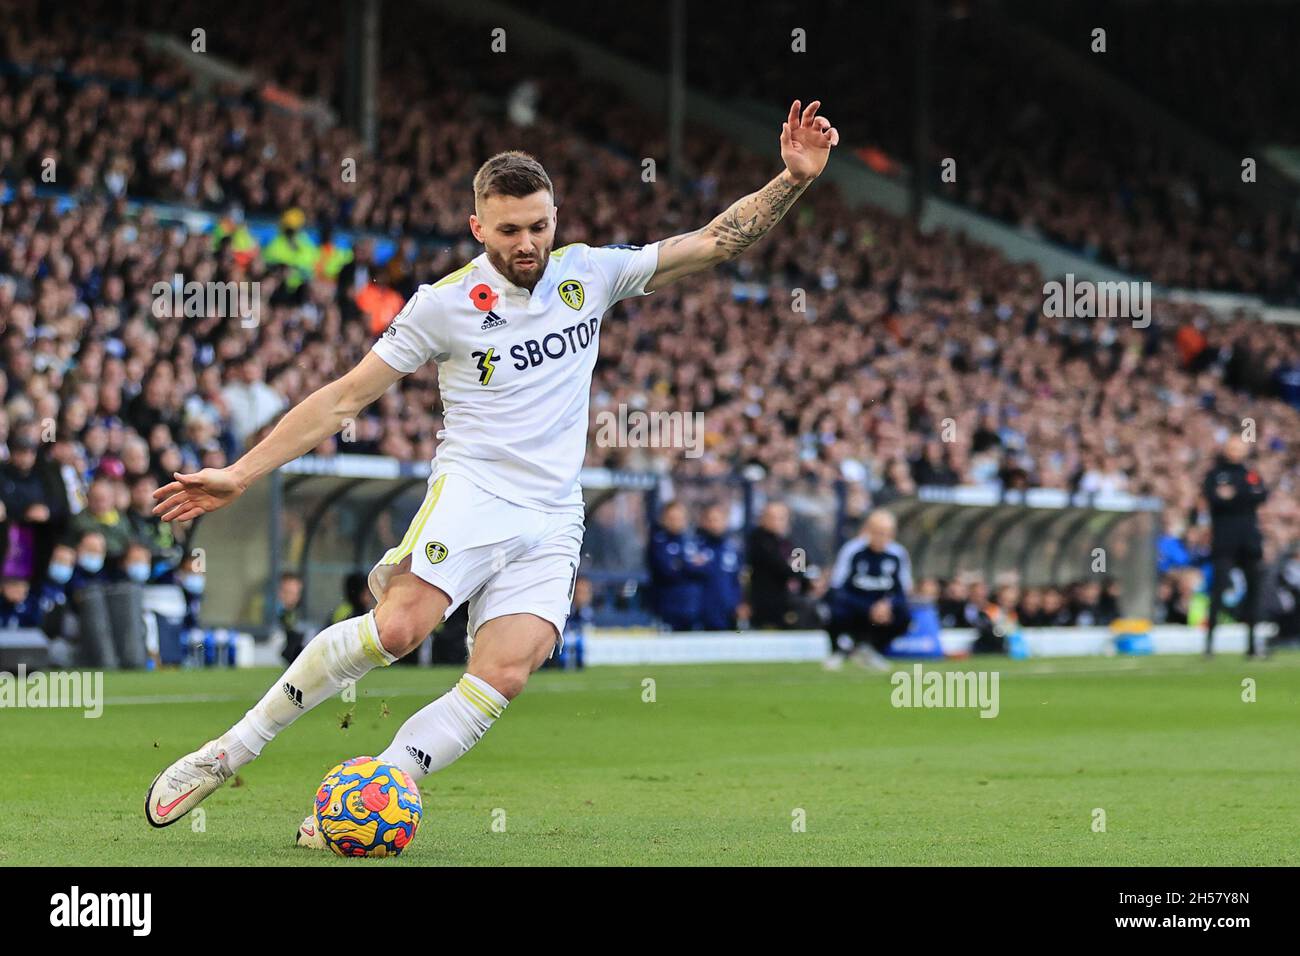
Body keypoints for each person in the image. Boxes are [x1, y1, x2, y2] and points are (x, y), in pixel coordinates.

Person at [144, 100, 841, 834]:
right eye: (509, 230)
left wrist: (791, 179)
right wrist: (242, 472)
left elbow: (714, 242)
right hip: (475, 489)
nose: (528, 242)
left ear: (555, 217)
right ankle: (227, 752)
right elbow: (345, 397)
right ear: (479, 228)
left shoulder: (590, 274)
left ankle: (378, 785)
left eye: (539, 225)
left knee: (506, 671)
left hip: (553, 514)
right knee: (398, 630)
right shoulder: (442, 305)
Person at [1202, 436, 1268, 657]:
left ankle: (1251, 645)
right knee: (1218, 590)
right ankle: (1209, 645)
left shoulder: (1250, 473)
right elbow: (1214, 498)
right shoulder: (1215, 474)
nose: (1235, 452)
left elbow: (1261, 494)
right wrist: (1243, 496)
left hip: (1249, 541)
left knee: (1254, 591)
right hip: (1224, 541)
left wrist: (1234, 495)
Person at [823, 510, 913, 671]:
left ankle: (871, 650)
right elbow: (837, 588)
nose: (882, 537)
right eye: (877, 532)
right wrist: (867, 607)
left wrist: (888, 605)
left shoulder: (898, 554)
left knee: (905, 614)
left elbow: (903, 592)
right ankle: (838, 650)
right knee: (832, 607)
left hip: (882, 611)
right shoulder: (852, 550)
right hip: (855, 605)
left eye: (886, 533)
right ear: (867, 530)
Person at [746, 501, 809, 629]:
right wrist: (792, 566)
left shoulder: (788, 541)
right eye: (773, 518)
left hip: (787, 601)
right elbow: (784, 568)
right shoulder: (758, 541)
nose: (777, 522)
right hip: (766, 605)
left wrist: (795, 567)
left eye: (781, 518)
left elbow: (802, 563)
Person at [646, 501, 706, 631]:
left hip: (692, 608)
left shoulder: (693, 541)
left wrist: (681, 564)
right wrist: (690, 564)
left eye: (679, 518)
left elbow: (704, 569)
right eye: (672, 518)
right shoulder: (658, 542)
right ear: (664, 519)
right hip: (668, 609)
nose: (676, 522)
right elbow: (667, 570)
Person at [695, 503, 743, 631]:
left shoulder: (732, 549)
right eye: (710, 520)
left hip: (728, 613)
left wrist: (738, 603)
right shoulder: (695, 548)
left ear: (725, 521)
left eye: (717, 519)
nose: (714, 524)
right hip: (701, 615)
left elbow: (736, 581)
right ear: (703, 522)